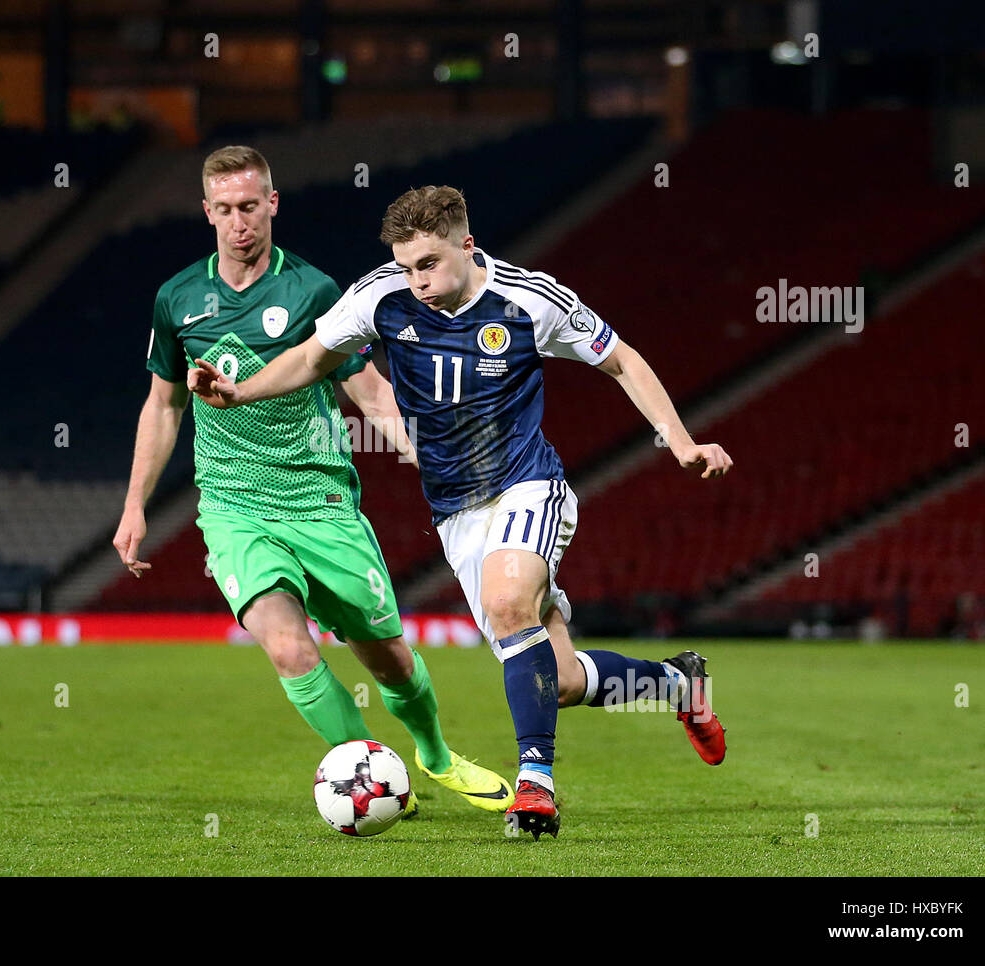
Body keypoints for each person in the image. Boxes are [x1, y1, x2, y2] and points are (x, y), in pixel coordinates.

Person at [188, 185, 732, 838]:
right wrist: (239, 391)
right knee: (555, 679)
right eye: (406, 265)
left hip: (528, 488)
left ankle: (536, 786)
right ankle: (678, 686)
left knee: (507, 604)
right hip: (456, 515)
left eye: (428, 264)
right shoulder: (379, 296)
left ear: (466, 246)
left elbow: (622, 360)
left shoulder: (530, 300)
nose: (415, 280)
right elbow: (312, 358)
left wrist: (680, 440)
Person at [112, 150, 513, 814]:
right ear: (206, 212)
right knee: (288, 647)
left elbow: (370, 390)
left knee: (390, 660)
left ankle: (436, 755)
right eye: (225, 209)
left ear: (273, 204)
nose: (239, 222)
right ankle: (380, 781)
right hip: (235, 503)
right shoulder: (178, 299)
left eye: (251, 206)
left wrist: (416, 446)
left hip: (322, 502)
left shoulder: (315, 291)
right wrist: (133, 505)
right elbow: (162, 406)